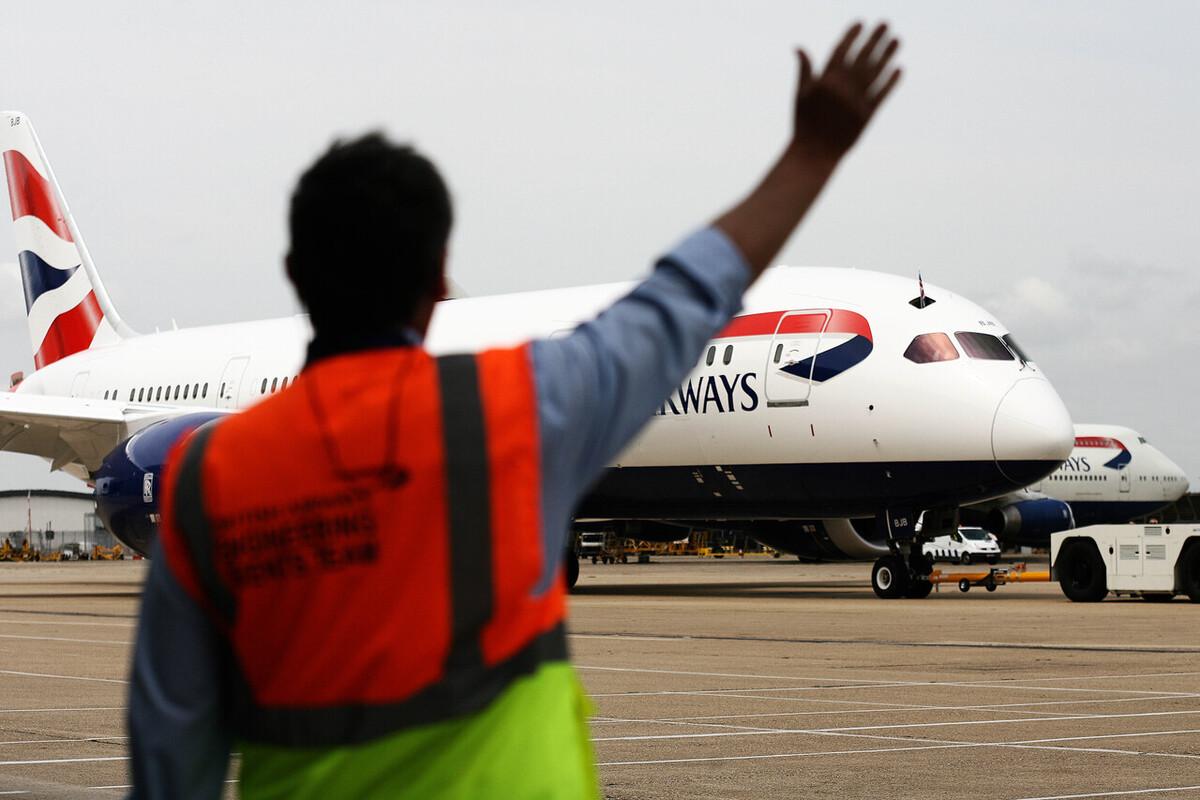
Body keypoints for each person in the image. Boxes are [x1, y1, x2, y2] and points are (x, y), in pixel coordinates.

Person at [129, 21, 901, 799]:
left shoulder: (210, 476)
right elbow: (684, 297)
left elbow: (169, 757)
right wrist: (812, 154)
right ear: (440, 277)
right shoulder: (515, 408)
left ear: (295, 274)